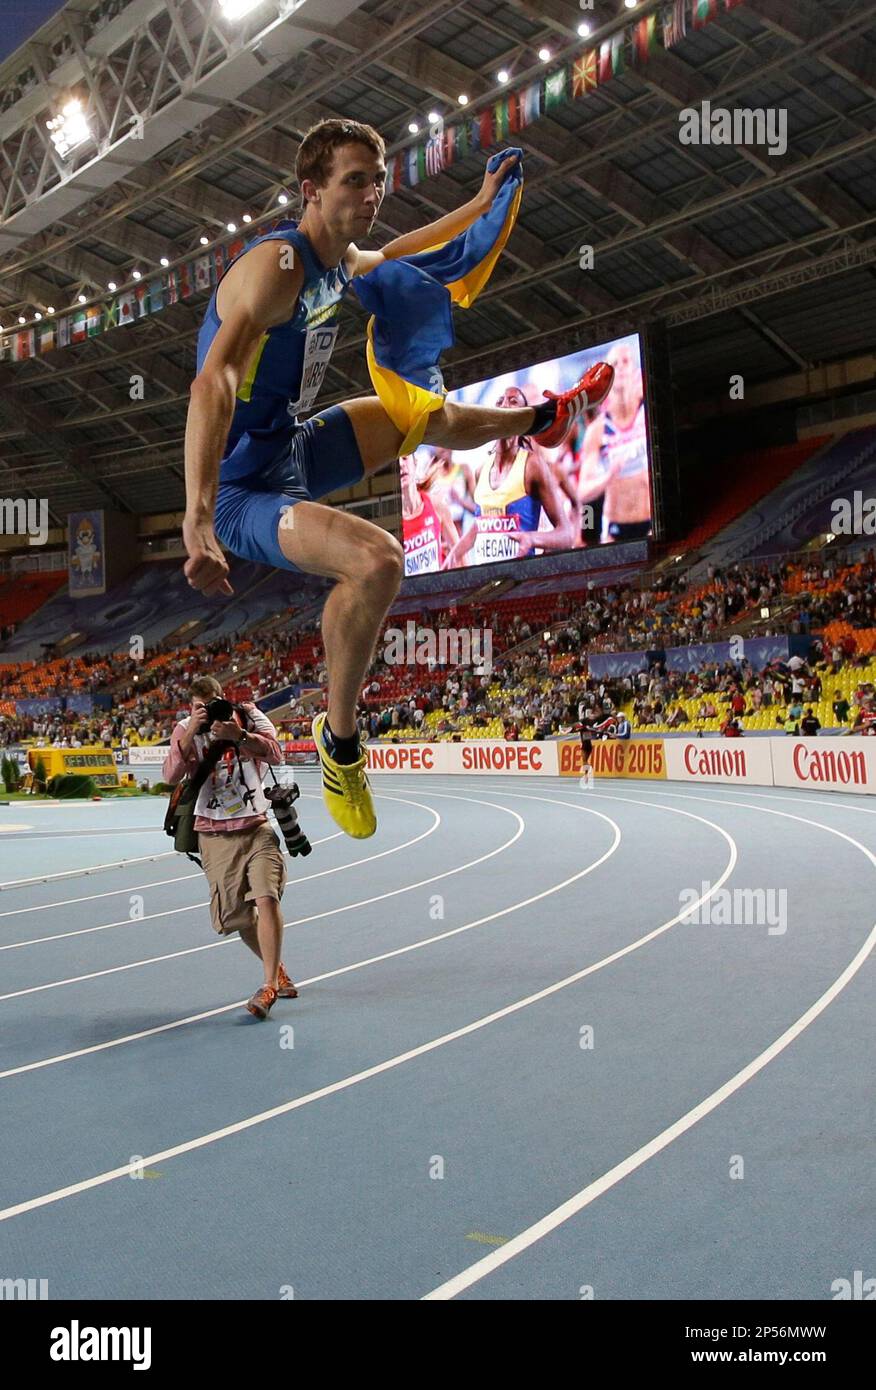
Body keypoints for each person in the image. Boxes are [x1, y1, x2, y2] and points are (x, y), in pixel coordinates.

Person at [182, 120, 613, 839]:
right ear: (311, 190)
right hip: (240, 492)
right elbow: (213, 383)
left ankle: (541, 418)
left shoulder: (335, 259)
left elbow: (408, 252)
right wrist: (196, 513)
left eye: (379, 179)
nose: (374, 192)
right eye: (356, 180)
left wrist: (480, 203)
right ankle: (340, 744)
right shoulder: (279, 267)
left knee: (417, 415)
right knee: (378, 560)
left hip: (290, 444)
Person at [162, 675, 295, 1020]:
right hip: (214, 835)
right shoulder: (184, 729)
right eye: (199, 707)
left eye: (213, 704)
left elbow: (277, 755)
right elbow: (170, 776)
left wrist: (239, 736)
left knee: (266, 896)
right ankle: (275, 966)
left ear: (224, 698)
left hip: (256, 827)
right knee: (234, 917)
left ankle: (268, 986)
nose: (209, 712)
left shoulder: (247, 717)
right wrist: (192, 730)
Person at [440, 383, 581, 568]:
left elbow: (567, 535)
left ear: (522, 418)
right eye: (500, 401)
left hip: (522, 581)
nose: (504, 404)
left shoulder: (534, 465)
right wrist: (454, 555)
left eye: (513, 401)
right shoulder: (481, 470)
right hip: (487, 583)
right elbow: (482, 523)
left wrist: (532, 539)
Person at [576, 340, 651, 542]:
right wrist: (608, 476)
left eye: (625, 361)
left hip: (653, 522)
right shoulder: (597, 430)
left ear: (634, 368)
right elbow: (582, 492)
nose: (621, 367)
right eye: (614, 364)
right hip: (617, 526)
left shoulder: (648, 413)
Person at [399, 453, 459, 576]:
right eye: (395, 463)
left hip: (439, 590)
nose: (401, 465)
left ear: (415, 463)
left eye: (405, 458)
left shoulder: (436, 505)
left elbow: (459, 554)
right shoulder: (391, 522)